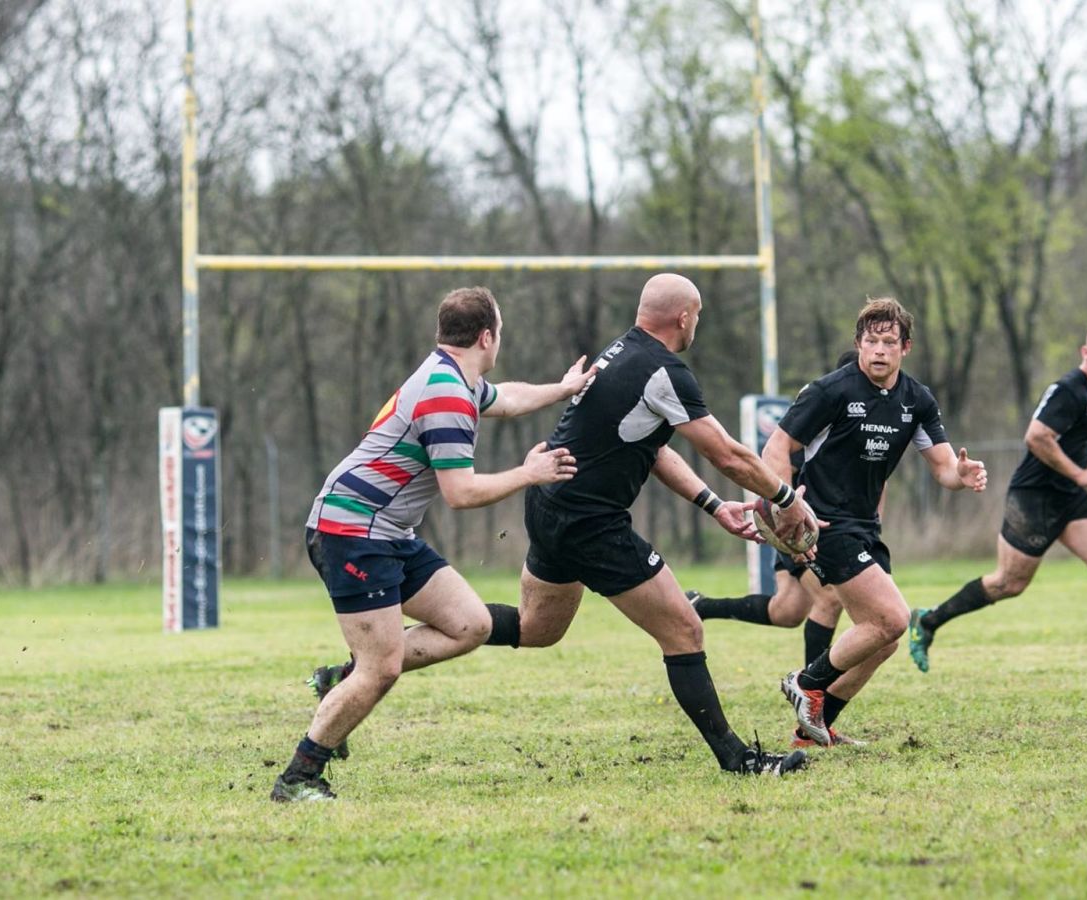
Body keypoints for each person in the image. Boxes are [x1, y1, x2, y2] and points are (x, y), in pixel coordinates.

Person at [481, 273, 821, 776]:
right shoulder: (664, 370)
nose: (696, 325)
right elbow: (727, 454)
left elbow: (652, 446)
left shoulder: (619, 352)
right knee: (685, 629)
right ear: (684, 317)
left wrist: (713, 505)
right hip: (590, 523)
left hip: (551, 504)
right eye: (697, 316)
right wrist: (785, 497)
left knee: (535, 629)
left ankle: (388, 652)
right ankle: (738, 760)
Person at [272, 286, 596, 802]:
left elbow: (507, 398)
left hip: (387, 532)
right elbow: (461, 493)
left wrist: (562, 388)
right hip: (351, 532)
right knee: (383, 668)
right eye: (501, 332)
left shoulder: (455, 377)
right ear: (487, 336)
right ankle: (298, 777)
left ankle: (341, 678)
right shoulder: (445, 395)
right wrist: (530, 473)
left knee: (472, 624)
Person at [768, 298, 988, 747]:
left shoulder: (917, 400)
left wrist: (961, 477)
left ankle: (813, 730)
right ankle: (807, 682)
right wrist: (786, 505)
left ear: (905, 347)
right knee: (892, 618)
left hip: (865, 526)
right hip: (824, 525)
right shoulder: (830, 391)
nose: (879, 351)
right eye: (871, 341)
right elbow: (776, 447)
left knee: (884, 640)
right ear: (858, 344)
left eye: (889, 342)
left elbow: (944, 468)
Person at [908, 324, 1087, 675]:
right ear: (1086, 352)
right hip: (1034, 497)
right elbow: (1036, 437)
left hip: (1070, 497)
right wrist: (1079, 474)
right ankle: (927, 621)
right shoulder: (1068, 390)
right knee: (1008, 583)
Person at [686, 352, 859, 745]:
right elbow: (777, 468)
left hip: (824, 527)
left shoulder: (872, 421)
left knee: (788, 611)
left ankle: (702, 605)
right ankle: (810, 707)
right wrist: (791, 535)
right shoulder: (822, 410)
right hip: (795, 524)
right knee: (829, 600)